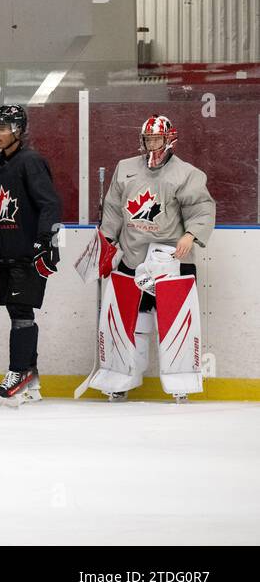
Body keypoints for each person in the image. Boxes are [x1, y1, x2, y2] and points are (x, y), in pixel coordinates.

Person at [93, 115, 216, 403]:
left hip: (170, 260)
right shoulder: (125, 169)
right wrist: (106, 242)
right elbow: (111, 209)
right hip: (133, 259)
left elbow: (201, 208)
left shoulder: (186, 173)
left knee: (176, 325)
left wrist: (191, 235)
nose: (152, 144)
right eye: (148, 139)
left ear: (169, 140)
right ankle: (120, 378)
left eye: (157, 139)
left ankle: (180, 381)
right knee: (129, 323)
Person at [0, 104, 62, 405]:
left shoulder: (31, 162)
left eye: (3, 128)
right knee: (17, 311)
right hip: (6, 253)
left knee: (20, 312)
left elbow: (50, 204)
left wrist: (44, 242)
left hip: (29, 254)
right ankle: (32, 376)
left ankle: (17, 374)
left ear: (18, 130)